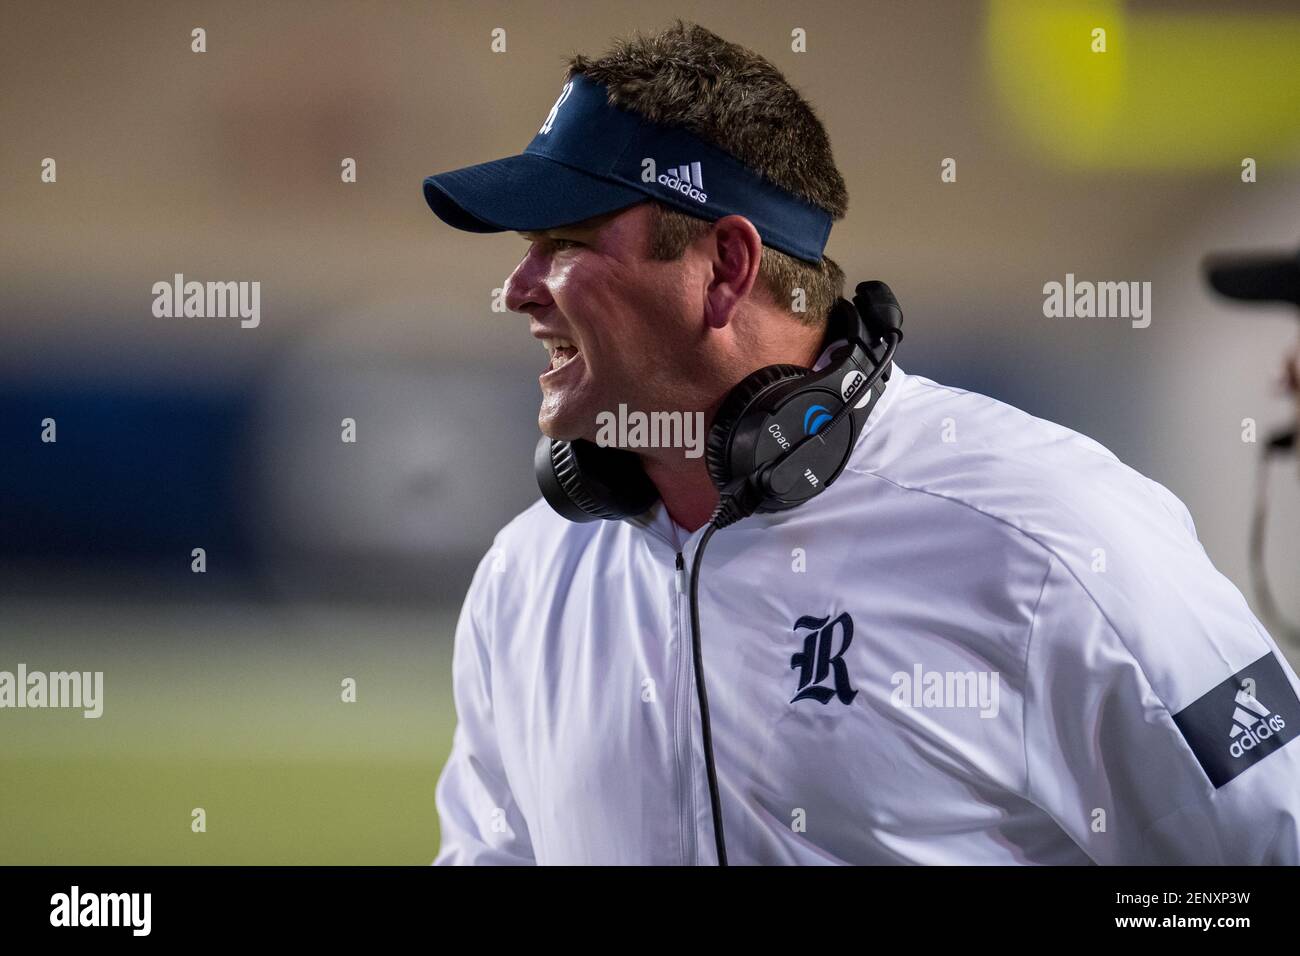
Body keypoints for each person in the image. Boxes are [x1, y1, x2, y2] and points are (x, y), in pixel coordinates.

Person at [420, 21, 1300, 865]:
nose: (517, 289)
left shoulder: (1058, 537)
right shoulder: (526, 577)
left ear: (726, 268)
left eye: (564, 243)